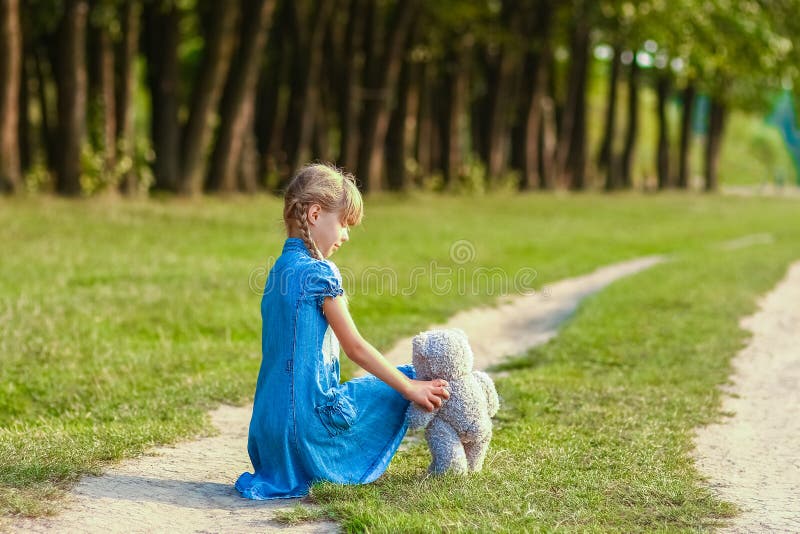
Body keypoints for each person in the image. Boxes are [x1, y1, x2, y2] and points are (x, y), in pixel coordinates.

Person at [235, 163, 450, 500]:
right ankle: (451, 455)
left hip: (267, 435)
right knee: (416, 378)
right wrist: (409, 386)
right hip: (306, 434)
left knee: (402, 384)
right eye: (344, 224)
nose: (346, 235)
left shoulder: (277, 271)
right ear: (316, 214)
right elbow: (355, 348)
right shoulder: (320, 273)